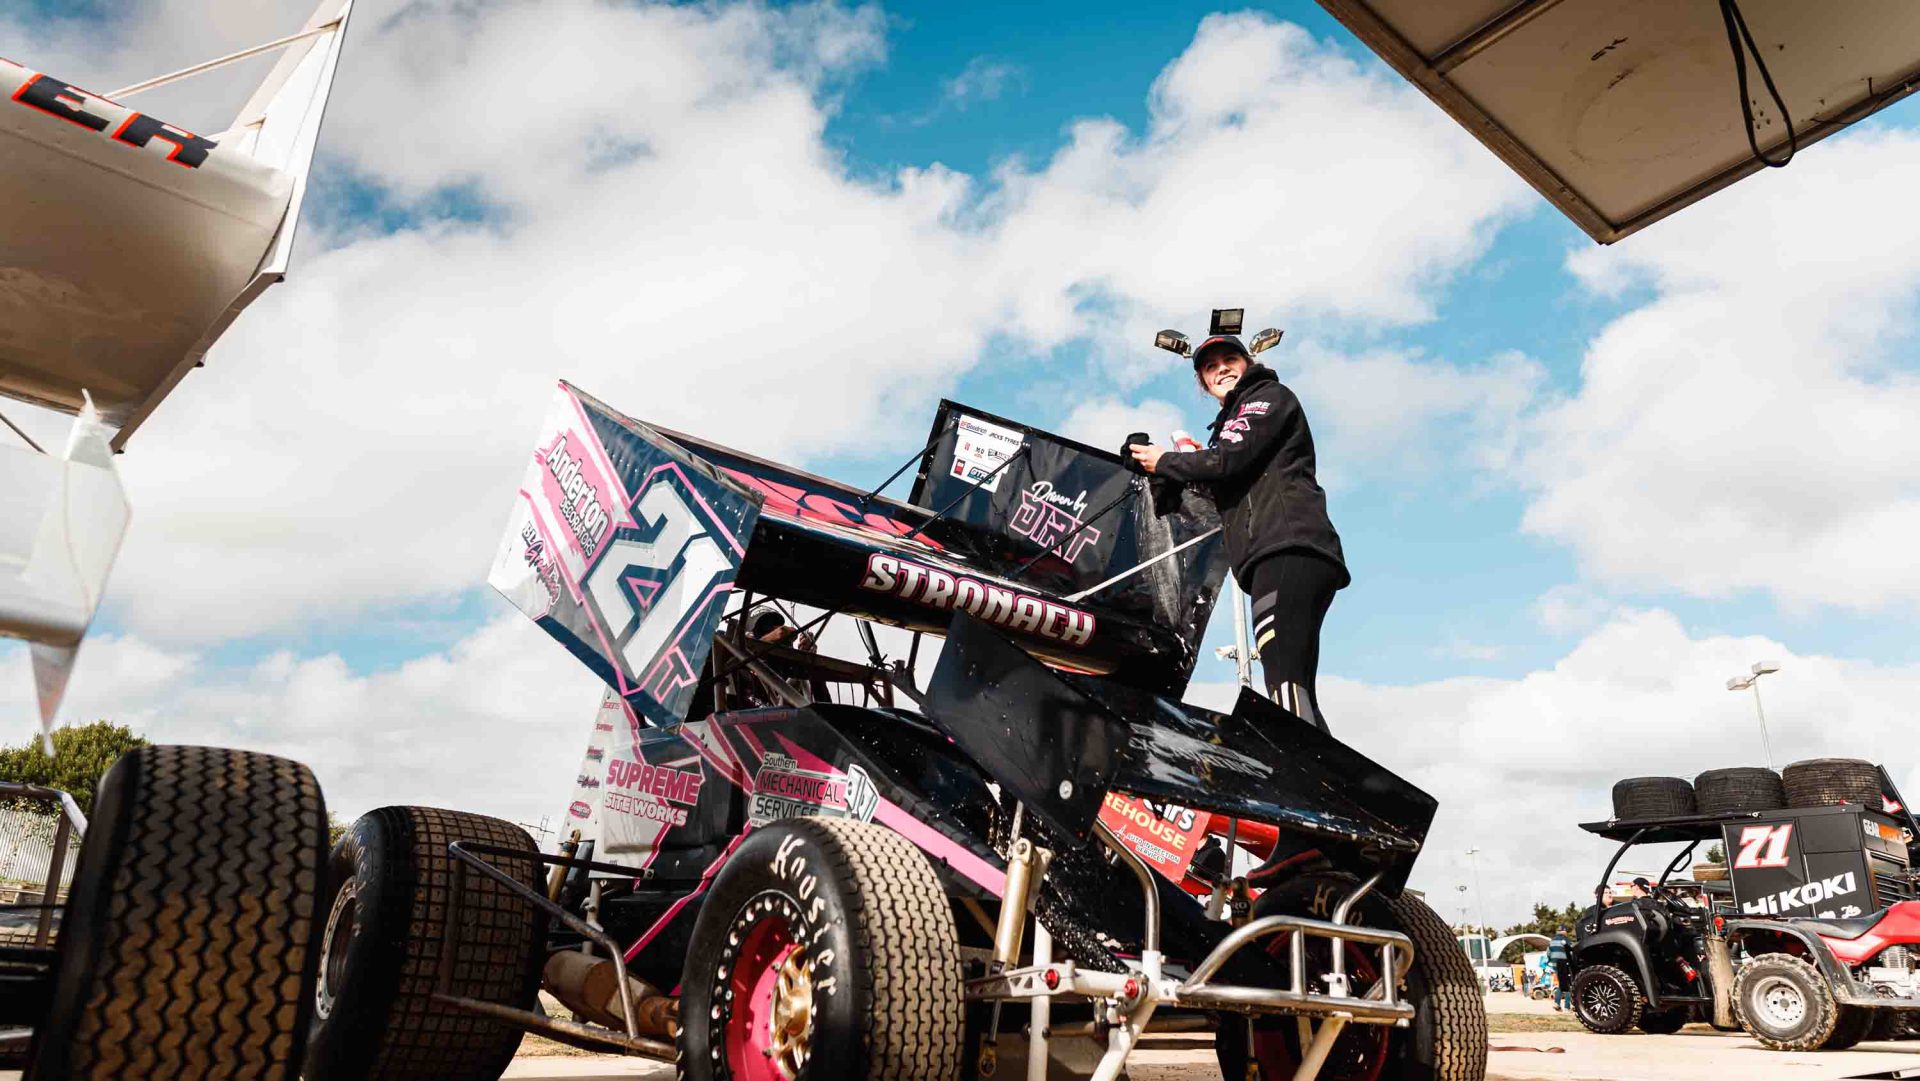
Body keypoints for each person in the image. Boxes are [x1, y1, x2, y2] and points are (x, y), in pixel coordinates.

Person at [1128, 333, 1348, 729]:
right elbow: (1211, 487)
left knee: (1284, 685)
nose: (1221, 369)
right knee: (1288, 682)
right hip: (1277, 554)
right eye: (1210, 367)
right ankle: (1327, 780)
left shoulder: (1266, 397)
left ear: (1248, 363)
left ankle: (1313, 779)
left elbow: (1226, 461)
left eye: (1230, 359)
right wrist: (1156, 467)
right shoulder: (1233, 422)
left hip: (1288, 548)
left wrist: (1168, 461)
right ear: (1203, 383)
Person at [1548, 928, 1573, 1011]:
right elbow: (1571, 952)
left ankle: (1557, 1003)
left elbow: (1548, 953)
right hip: (1565, 964)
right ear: (1564, 932)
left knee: (1561, 984)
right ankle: (1567, 1007)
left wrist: (1551, 961)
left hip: (1555, 965)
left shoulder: (1551, 941)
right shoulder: (1566, 940)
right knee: (1568, 985)